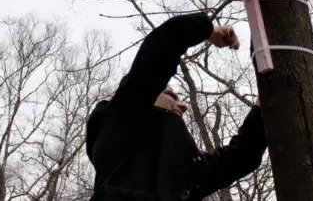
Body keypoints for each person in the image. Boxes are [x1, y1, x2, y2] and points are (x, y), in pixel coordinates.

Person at [85, 12, 267, 201]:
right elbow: (163, 46)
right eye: (170, 94)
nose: (183, 105)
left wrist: (264, 106)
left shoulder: (189, 170)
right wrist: (208, 30)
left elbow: (241, 157)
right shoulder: (123, 116)